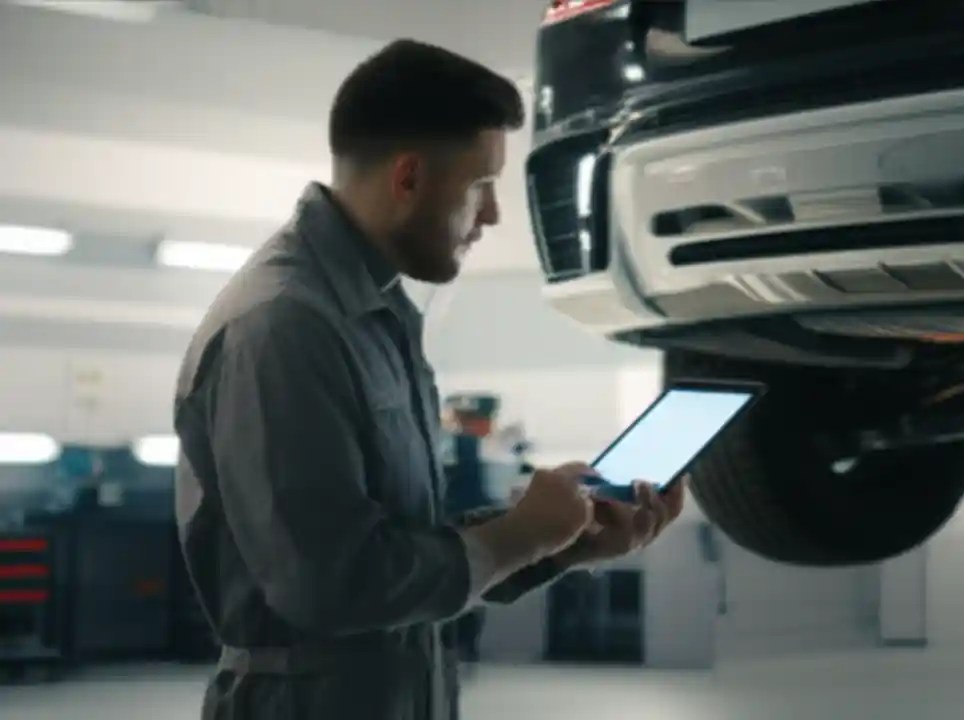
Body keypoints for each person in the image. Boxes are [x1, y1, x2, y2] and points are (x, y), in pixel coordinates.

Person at [172, 39, 686, 720]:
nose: (492, 215)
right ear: (409, 177)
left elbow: (405, 544)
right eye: (481, 185)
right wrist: (521, 536)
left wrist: (559, 540)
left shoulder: (375, 316)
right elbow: (329, 584)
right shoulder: (283, 326)